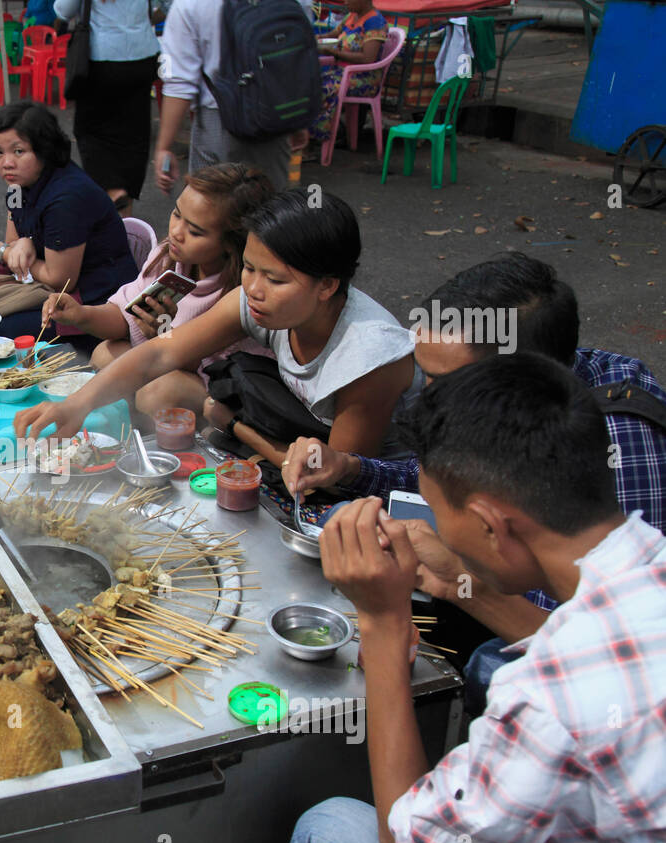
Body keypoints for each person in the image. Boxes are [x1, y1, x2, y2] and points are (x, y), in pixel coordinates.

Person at [291, 353, 666, 843]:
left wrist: (385, 625)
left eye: (442, 513)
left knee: (328, 836)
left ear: (491, 524)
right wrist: (459, 584)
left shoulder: (547, 695)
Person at [279, 252, 666, 711]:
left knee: (485, 662)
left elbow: (593, 648)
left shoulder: (616, 448)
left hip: (597, 667)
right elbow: (451, 474)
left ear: (506, 382)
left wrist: (458, 587)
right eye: (425, 377)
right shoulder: (537, 388)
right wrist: (351, 468)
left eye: (442, 383)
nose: (423, 401)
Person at [14, 189, 421, 462]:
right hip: (293, 435)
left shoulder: (369, 357)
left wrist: (233, 425)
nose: (254, 289)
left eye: (275, 280)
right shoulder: (257, 300)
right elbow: (159, 351)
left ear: (327, 286)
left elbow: (333, 475)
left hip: (376, 485)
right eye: (248, 268)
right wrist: (76, 405)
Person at [42, 162, 276, 421]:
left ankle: (177, 437)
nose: (176, 232)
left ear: (231, 244)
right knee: (104, 353)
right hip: (163, 359)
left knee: (157, 393)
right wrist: (80, 315)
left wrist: (161, 334)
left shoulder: (241, 292)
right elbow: (124, 317)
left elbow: (207, 368)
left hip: (217, 389)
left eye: (195, 231)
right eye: (177, 214)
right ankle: (131, 425)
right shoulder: (168, 258)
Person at [0, 101, 135, 342]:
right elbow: (13, 241)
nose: (6, 163)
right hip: (48, 290)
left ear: (45, 150)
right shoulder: (17, 187)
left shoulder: (66, 199)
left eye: (18, 151)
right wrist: (22, 244)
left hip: (94, 304)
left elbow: (60, 278)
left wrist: (0, 252)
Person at [153, 0, 307, 195]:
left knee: (210, 209)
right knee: (270, 210)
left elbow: (179, 83)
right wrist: (294, 116)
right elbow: (291, 59)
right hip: (273, 116)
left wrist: (164, 147)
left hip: (216, 121)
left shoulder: (191, 4)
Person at [52, 0, 160, 216]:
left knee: (90, 132)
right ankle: (125, 212)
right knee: (134, 133)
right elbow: (165, 6)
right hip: (143, 56)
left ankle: (113, 194)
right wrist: (135, 24)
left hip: (102, 59)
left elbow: (63, 10)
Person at [307, 0, 388, 153]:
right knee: (307, 82)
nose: (345, 2)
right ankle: (306, 135)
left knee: (325, 88)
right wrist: (316, 40)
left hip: (364, 78)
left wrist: (335, 53)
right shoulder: (351, 16)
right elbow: (333, 35)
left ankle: (315, 137)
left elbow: (367, 58)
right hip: (341, 73)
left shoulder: (374, 22)